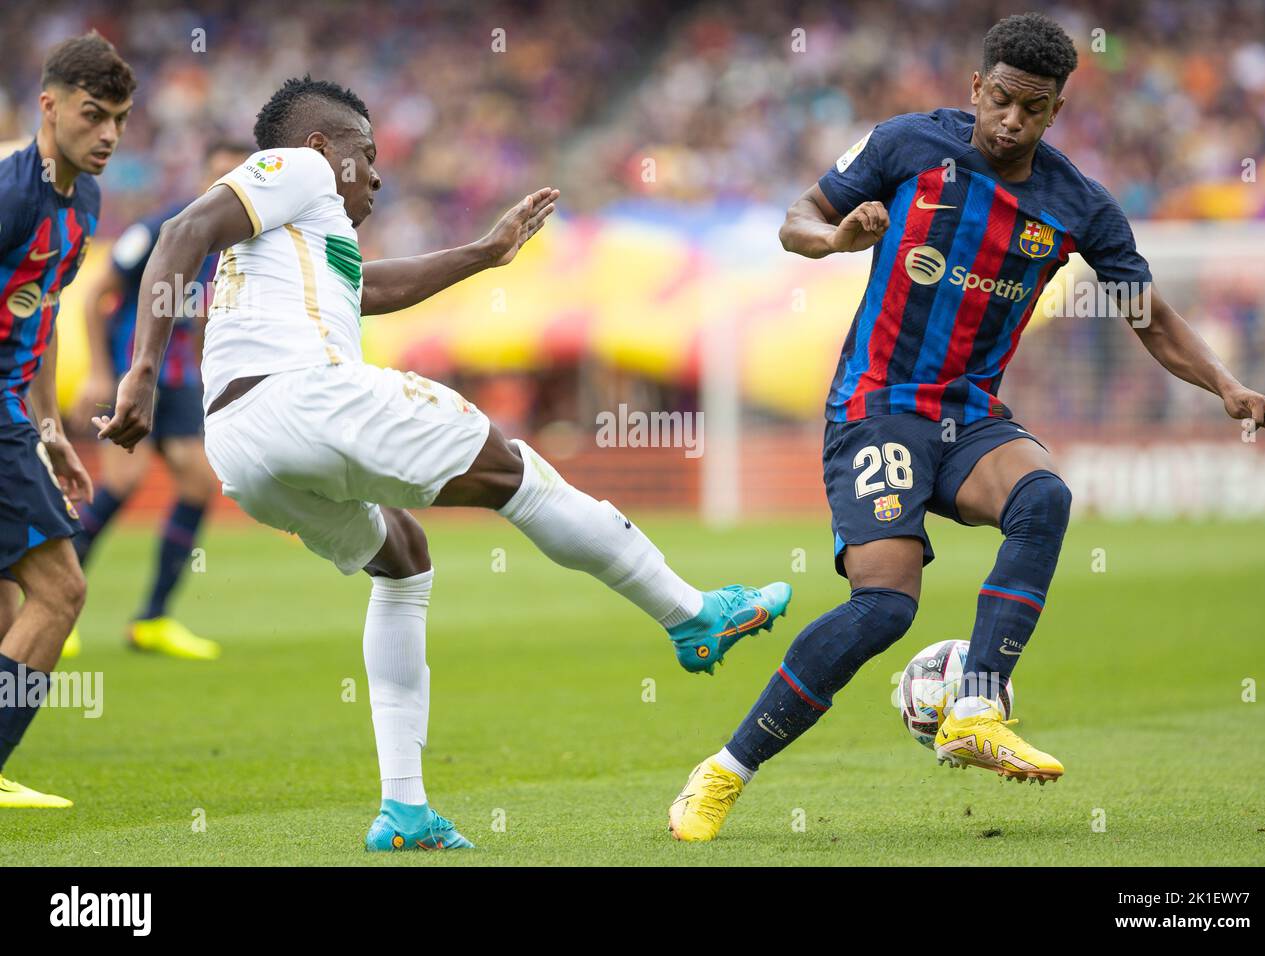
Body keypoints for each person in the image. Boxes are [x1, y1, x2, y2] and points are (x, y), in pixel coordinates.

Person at [96, 77, 792, 850]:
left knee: (403, 560)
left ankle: (403, 809)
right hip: (304, 399)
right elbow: (178, 235)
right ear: (323, 148)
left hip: (243, 452)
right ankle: (690, 615)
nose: (377, 174)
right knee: (519, 474)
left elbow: (368, 287)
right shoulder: (298, 169)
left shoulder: (294, 244)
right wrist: (141, 373)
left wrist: (485, 254)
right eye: (366, 154)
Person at [668, 12, 1265, 841]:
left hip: (968, 416)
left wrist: (1226, 383)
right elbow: (797, 217)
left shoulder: (1077, 204)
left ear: (1055, 112)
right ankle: (723, 772)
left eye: (1032, 109)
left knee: (1044, 497)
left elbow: (1148, 315)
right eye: (1000, 100)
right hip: (878, 405)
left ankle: (973, 705)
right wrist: (834, 239)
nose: (1011, 120)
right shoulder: (907, 145)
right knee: (884, 609)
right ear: (976, 88)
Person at [0, 32, 135, 809]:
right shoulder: (12, 193)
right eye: (93, 115)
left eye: (118, 118)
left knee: (9, 603)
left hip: (17, 417)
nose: (109, 135)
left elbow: (43, 319)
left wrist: (51, 434)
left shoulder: (85, 200)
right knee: (61, 592)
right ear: (49, 107)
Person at [67, 142, 252, 662]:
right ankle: (54, 604)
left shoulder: (235, 244)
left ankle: (152, 619)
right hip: (135, 375)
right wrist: (103, 372)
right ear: (204, 177)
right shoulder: (159, 228)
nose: (228, 189)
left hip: (178, 384)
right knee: (122, 484)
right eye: (220, 176)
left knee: (197, 483)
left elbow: (201, 321)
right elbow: (95, 295)